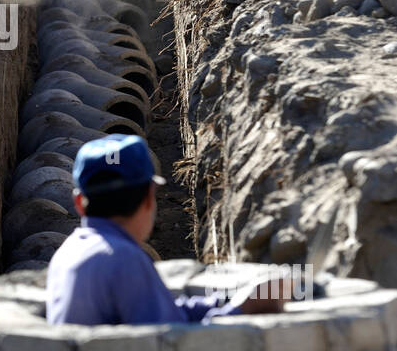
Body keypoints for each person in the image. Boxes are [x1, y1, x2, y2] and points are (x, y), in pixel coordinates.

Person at [47, 134, 288, 326]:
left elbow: (166, 316)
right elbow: (172, 345)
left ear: (79, 202)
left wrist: (226, 300)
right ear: (149, 199)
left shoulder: (69, 253)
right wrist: (243, 309)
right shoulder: (124, 259)